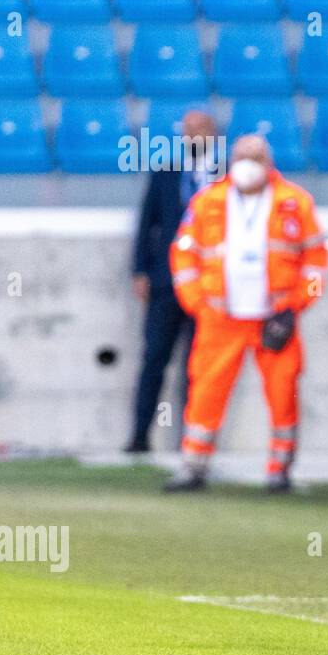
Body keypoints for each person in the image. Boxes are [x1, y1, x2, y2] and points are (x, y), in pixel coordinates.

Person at [166, 135, 328, 494]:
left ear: (269, 162)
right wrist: (196, 302)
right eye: (241, 156)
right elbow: (183, 253)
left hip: (276, 318)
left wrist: (299, 304)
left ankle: (279, 469)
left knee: (284, 391)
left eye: (255, 157)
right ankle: (193, 466)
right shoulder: (208, 201)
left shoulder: (295, 202)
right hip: (221, 317)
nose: (247, 163)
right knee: (206, 390)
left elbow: (317, 263)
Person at [125, 109, 219, 453]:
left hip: (209, 287)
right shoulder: (166, 172)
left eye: (201, 129)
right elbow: (146, 223)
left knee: (199, 366)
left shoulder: (226, 176)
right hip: (166, 283)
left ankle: (192, 439)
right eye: (189, 131)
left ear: (213, 133)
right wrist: (140, 270)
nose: (194, 136)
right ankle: (139, 435)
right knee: (154, 359)